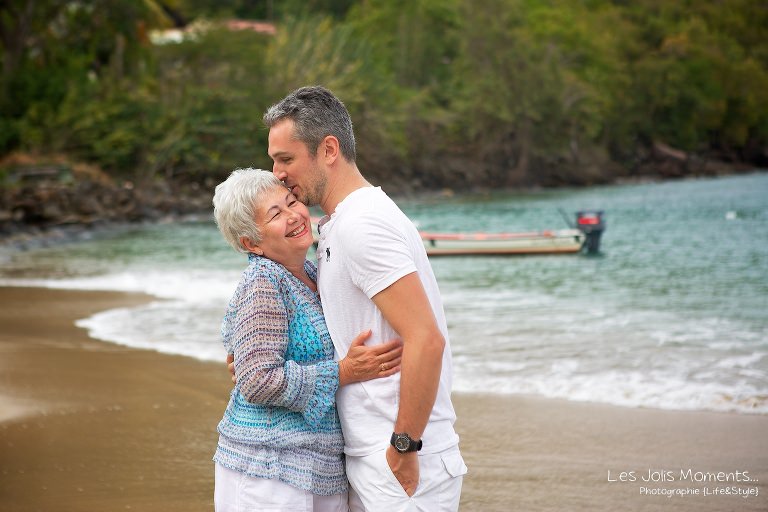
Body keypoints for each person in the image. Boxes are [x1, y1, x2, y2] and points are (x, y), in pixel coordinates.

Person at [262, 86, 467, 512]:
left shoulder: (364, 225)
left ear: (328, 150)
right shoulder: (338, 225)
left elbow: (426, 339)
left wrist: (404, 446)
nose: (277, 173)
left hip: (400, 456)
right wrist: (259, 355)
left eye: (286, 159)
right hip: (373, 453)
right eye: (274, 161)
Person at [212, 168, 403, 512]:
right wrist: (343, 372)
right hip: (267, 468)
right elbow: (257, 381)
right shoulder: (265, 282)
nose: (294, 216)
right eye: (275, 214)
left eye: (291, 202)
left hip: (320, 467)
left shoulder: (313, 272)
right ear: (251, 242)